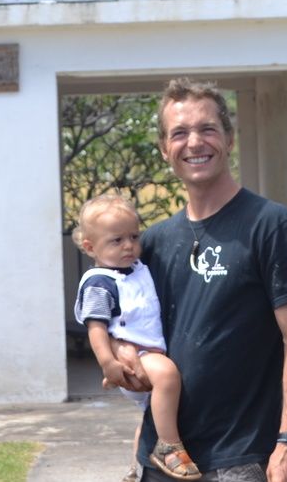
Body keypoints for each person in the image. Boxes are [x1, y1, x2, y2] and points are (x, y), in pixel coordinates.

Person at [122, 79, 287, 482]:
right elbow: (142, 331)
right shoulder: (155, 242)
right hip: (165, 459)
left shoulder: (270, 225)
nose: (194, 142)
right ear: (165, 149)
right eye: (179, 133)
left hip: (242, 458)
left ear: (229, 139)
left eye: (207, 129)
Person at [72, 193, 200, 481]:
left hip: (149, 351)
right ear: (90, 247)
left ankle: (136, 467)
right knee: (167, 376)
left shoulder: (136, 270)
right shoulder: (100, 283)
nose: (129, 245)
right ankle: (168, 447)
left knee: (150, 416)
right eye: (116, 240)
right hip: (135, 356)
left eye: (133, 236)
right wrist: (108, 363)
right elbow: (96, 327)